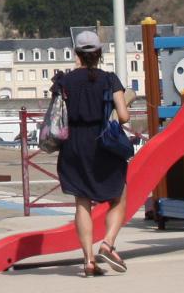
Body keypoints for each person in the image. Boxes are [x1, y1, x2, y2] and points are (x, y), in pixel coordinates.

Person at [52, 31, 132, 277]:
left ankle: (88, 260)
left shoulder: (64, 82)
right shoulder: (109, 80)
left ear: (77, 54)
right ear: (99, 54)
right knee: (119, 195)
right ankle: (107, 243)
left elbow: (57, 113)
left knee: (82, 201)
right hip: (102, 143)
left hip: (73, 144)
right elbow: (124, 116)